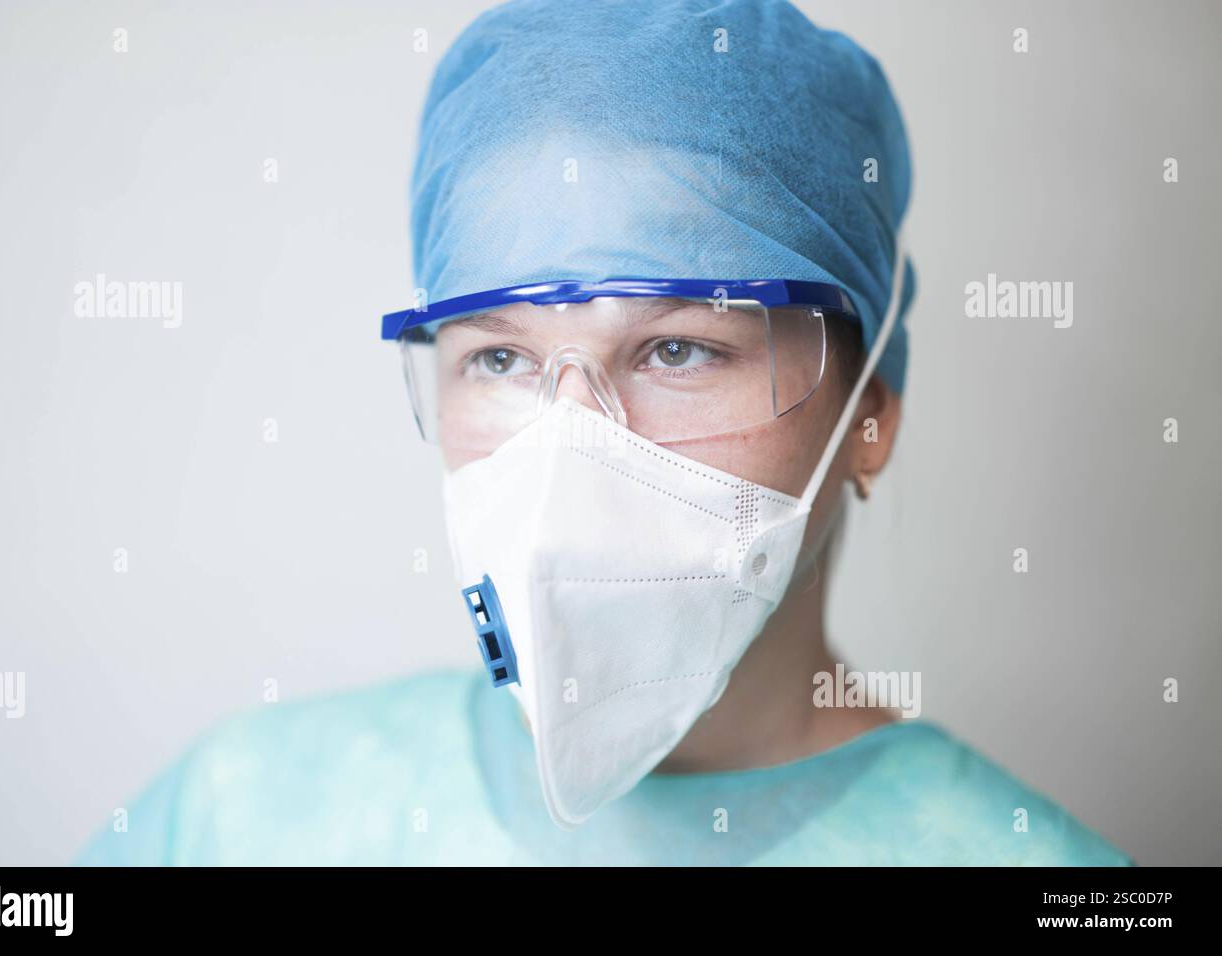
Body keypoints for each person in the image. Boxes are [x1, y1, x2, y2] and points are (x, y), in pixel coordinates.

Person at [79, 0, 1132, 865]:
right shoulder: (239, 815)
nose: (568, 445)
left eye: (678, 348)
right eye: (498, 357)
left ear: (867, 417)